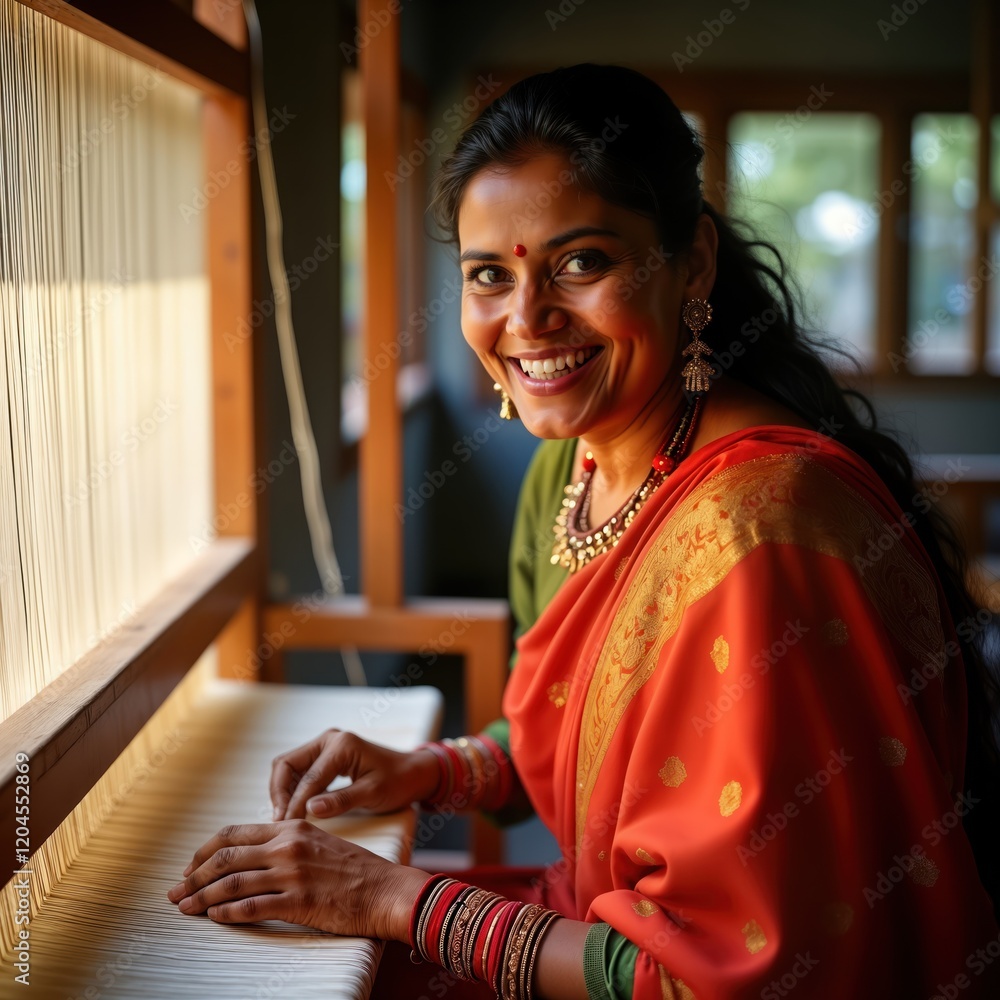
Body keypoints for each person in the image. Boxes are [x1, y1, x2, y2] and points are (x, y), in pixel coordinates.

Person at [167, 64, 1000, 998]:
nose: (528, 321)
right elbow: (577, 740)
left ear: (693, 264)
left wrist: (399, 900)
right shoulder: (579, 469)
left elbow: (716, 978)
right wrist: (429, 771)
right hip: (597, 923)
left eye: (582, 263)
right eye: (491, 275)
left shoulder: (755, 536)